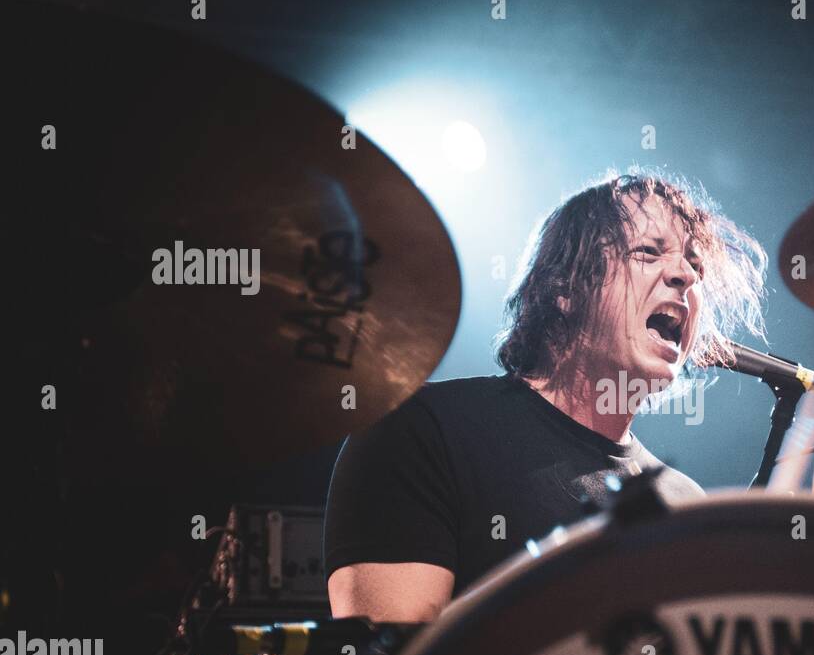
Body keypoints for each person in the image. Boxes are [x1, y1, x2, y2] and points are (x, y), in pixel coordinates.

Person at [323, 170, 767, 621]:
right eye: (648, 253)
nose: (685, 276)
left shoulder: (685, 502)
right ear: (564, 290)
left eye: (696, 266)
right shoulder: (422, 431)